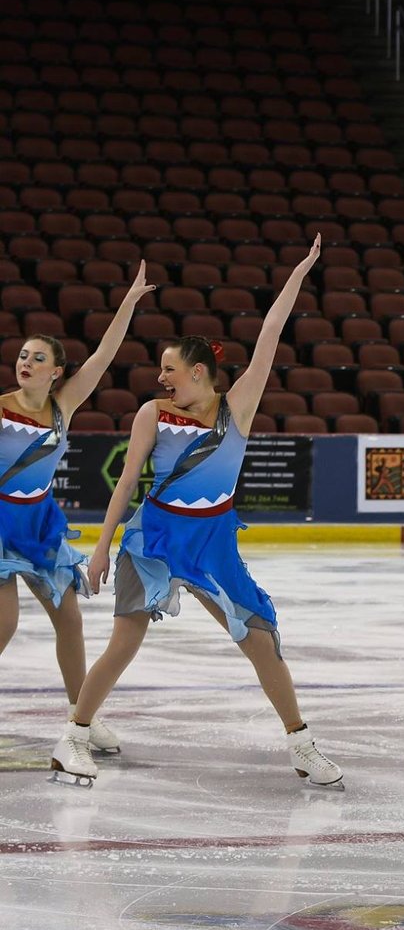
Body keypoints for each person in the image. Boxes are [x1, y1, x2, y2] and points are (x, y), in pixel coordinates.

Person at [50, 237, 341, 790]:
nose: (161, 378)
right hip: (154, 537)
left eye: (170, 370)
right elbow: (128, 481)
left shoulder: (239, 407)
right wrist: (102, 546)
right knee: (126, 638)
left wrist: (300, 271)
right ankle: (73, 735)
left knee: (259, 638)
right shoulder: (152, 414)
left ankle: (302, 746)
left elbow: (271, 334)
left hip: (213, 543)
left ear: (201, 373)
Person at [1, 263, 155, 754]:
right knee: (4, 623)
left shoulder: (64, 404)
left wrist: (127, 305)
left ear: (56, 371)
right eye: (22, 355)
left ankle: (80, 720)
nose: (25, 362)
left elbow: (106, 355)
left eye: (37, 357)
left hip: (40, 524)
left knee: (69, 618)